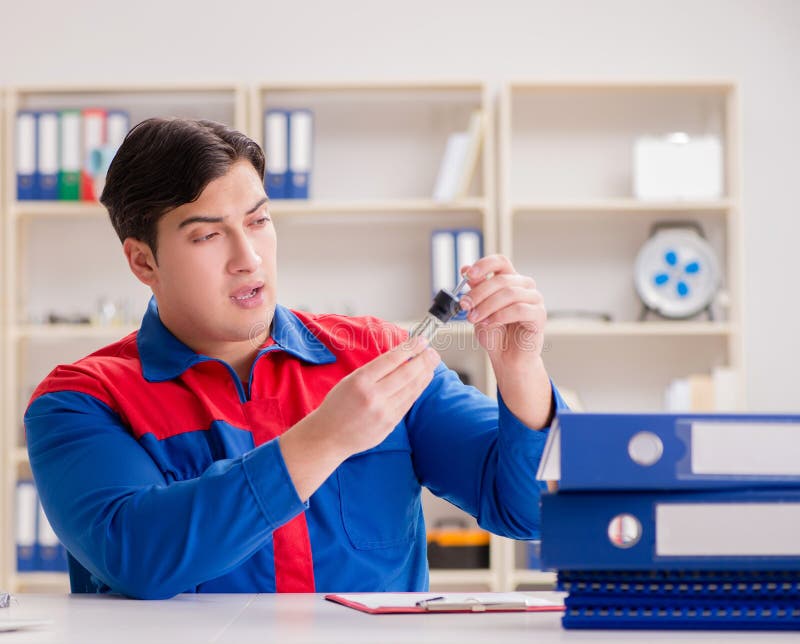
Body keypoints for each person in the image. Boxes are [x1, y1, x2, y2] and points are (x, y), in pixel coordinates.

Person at [25, 118, 567, 599]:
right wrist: (325, 439)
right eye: (209, 235)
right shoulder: (81, 401)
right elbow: (138, 557)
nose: (248, 258)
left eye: (259, 222)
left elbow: (532, 511)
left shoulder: (374, 355)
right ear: (143, 262)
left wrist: (520, 369)